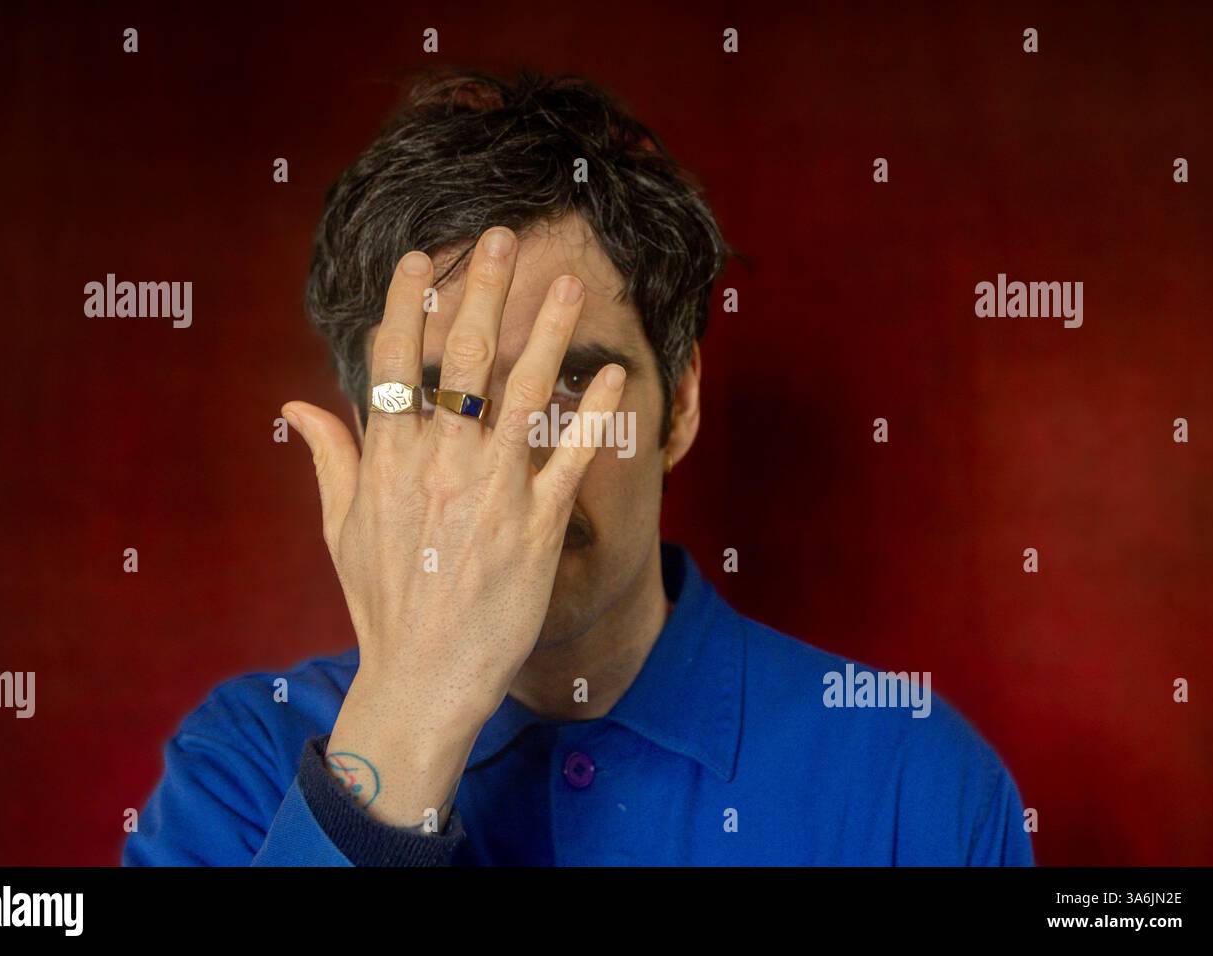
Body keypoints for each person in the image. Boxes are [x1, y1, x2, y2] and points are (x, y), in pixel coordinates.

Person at [124, 69, 1033, 866]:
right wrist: (406, 720)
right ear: (372, 437)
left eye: (569, 379)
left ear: (677, 407)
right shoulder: (243, 763)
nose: (509, 456)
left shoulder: (917, 783)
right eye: (445, 397)